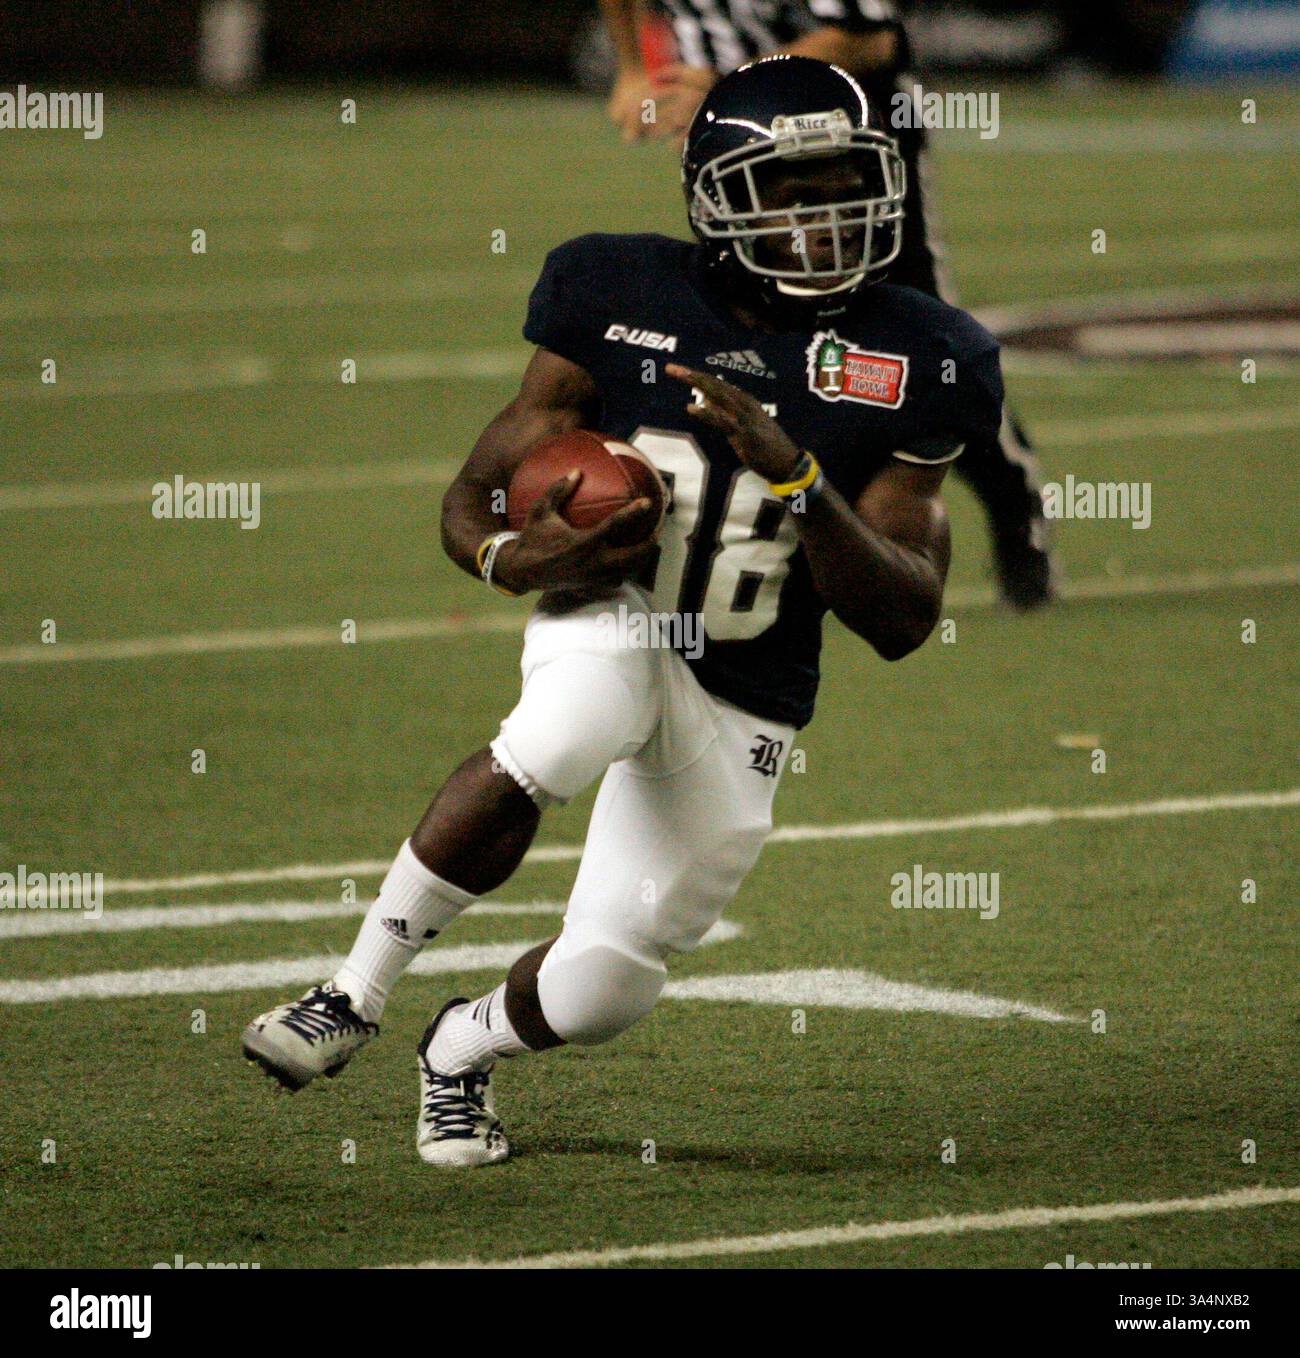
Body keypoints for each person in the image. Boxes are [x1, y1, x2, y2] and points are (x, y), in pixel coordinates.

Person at [243, 56, 1005, 1167]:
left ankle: (459, 1045)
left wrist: (797, 478)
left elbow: (901, 614)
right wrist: (514, 555)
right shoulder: (616, 293)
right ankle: (350, 989)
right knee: (562, 728)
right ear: (716, 197)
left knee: (604, 985)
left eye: (848, 184)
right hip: (612, 612)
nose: (829, 217)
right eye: (793, 193)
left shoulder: (926, 351)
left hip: (749, 686)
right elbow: (472, 494)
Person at [601, 0, 1053, 608]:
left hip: (846, 152)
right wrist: (632, 67)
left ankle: (1012, 497)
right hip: (733, 151)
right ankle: (789, 550)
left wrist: (735, 87)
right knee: (756, 334)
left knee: (921, 346)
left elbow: (870, 40)